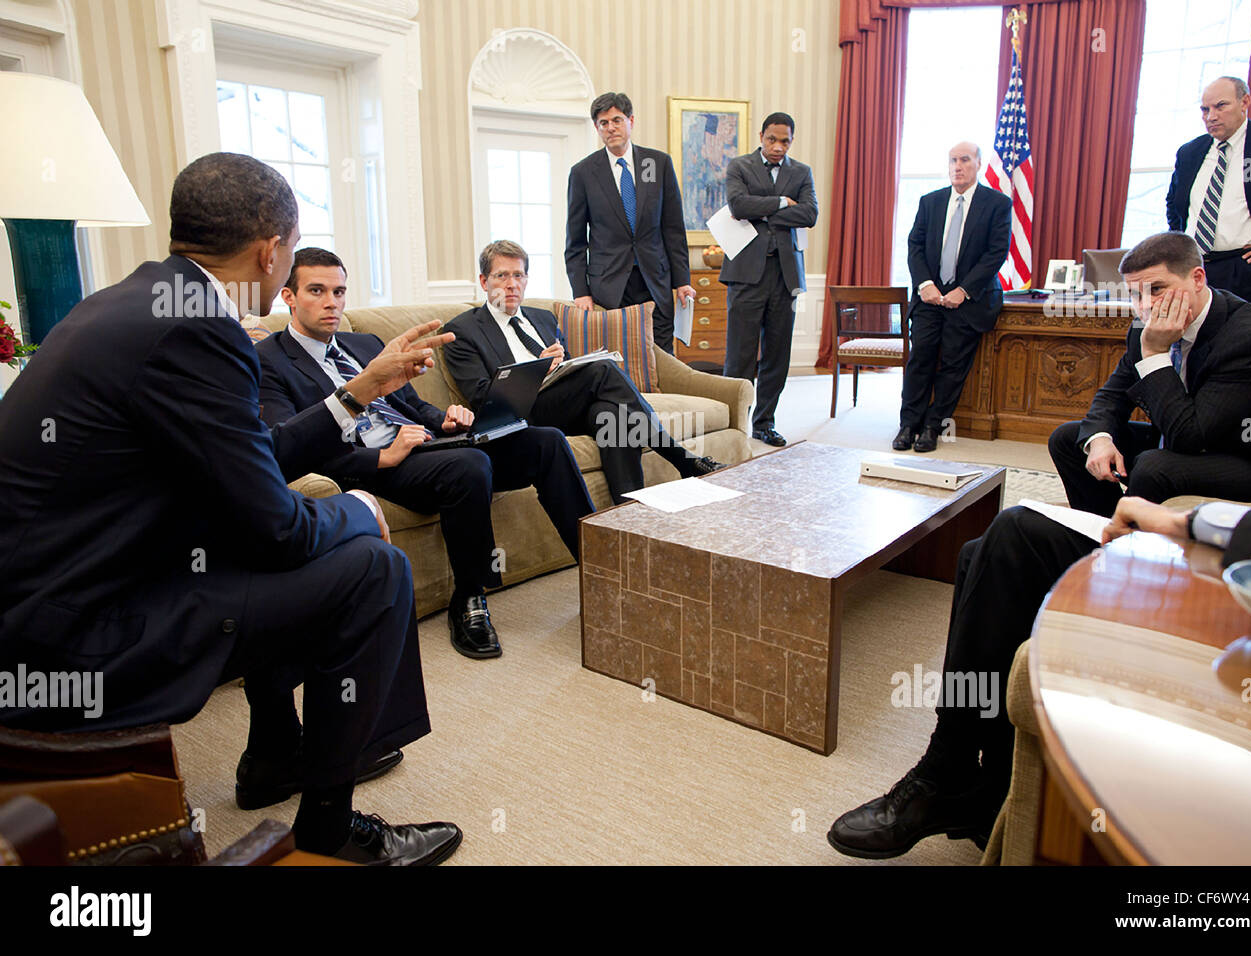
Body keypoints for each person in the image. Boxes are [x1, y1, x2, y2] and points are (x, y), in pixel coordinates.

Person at [0, 152, 460, 865]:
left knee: (301, 549)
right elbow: (275, 528)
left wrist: (359, 390)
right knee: (372, 568)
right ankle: (331, 836)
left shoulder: (136, 302)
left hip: (51, 599)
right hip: (70, 638)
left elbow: (245, 463)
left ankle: (279, 753)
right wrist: (359, 507)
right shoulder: (198, 332)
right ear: (271, 251)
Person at [828, 496, 1251, 859]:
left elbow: (1210, 425)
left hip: (1249, 555)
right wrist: (1105, 434)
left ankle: (945, 771)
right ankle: (986, 780)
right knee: (977, 553)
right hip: (1205, 519)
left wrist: (1188, 520)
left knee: (1014, 533)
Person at [258, 248, 594, 661]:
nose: (332, 302)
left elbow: (413, 408)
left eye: (339, 291)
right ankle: (469, 600)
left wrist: (447, 420)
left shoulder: (364, 343)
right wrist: (382, 457)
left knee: (544, 441)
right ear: (288, 297)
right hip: (373, 465)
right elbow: (290, 446)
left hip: (426, 447)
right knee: (469, 465)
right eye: (316, 290)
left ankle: (600, 576)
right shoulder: (268, 361)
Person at [442, 240, 723, 504]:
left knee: (612, 415)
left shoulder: (542, 318)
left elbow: (573, 375)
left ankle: (628, 514)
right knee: (602, 369)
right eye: (502, 276)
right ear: (484, 281)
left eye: (518, 275)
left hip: (561, 407)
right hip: (519, 417)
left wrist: (560, 367)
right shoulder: (462, 330)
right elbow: (481, 397)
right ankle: (681, 458)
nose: (511, 285)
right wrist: (535, 371)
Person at [1048, 231, 1251, 518]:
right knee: (1070, 439)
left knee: (1154, 466)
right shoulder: (1144, 327)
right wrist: (1101, 439)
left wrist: (1155, 354)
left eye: (1156, 289)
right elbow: (1112, 396)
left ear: (1197, 279)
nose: (1145, 306)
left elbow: (1189, 438)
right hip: (1194, 438)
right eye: (1135, 294)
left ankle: (1125, 536)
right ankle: (1101, 531)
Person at [894, 142, 1012, 453]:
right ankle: (908, 425)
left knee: (952, 365)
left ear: (978, 164)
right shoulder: (930, 201)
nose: (957, 166)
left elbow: (996, 253)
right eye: (952, 161)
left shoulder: (997, 203)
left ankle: (934, 426)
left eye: (964, 160)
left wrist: (964, 290)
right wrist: (925, 284)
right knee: (920, 359)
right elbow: (915, 246)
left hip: (969, 300)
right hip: (930, 297)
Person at [565, 91, 693, 353]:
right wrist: (581, 291)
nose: (611, 128)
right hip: (609, 285)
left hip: (654, 280)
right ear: (596, 128)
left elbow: (673, 230)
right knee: (618, 356)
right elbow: (576, 242)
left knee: (660, 354)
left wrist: (682, 280)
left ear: (631, 121)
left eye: (617, 120)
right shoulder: (583, 173)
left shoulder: (656, 164)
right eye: (604, 123)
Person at [719, 111, 818, 447]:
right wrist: (779, 203)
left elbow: (809, 214)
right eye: (772, 139)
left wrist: (762, 210)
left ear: (792, 140)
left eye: (785, 141)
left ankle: (765, 422)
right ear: (761, 135)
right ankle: (735, 423)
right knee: (740, 355)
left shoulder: (801, 172)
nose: (778, 147)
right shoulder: (739, 166)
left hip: (785, 275)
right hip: (746, 274)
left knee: (778, 354)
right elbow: (737, 205)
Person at [1165, 76, 1251, 313]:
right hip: (1197, 270)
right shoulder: (1190, 152)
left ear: (1244, 102)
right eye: (1205, 109)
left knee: (1245, 346)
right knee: (1196, 346)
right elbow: (1175, 205)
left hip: (1250, 266)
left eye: (1221, 106)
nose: (1211, 116)